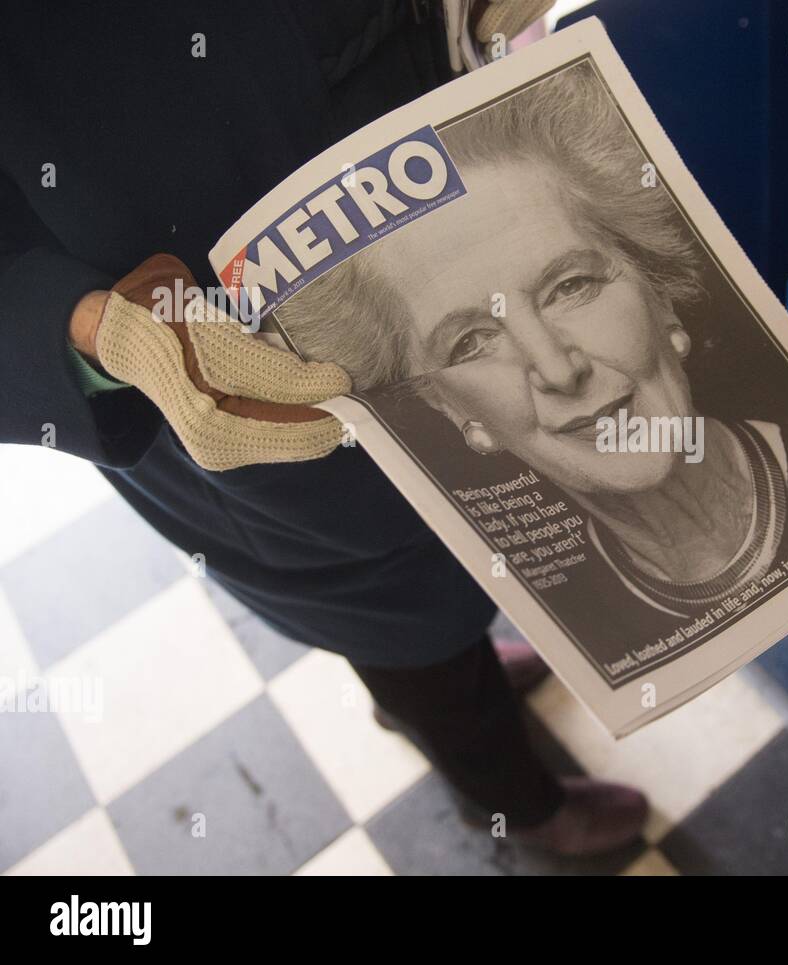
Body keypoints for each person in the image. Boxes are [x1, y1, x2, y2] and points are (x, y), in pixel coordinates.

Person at [0, 0, 648, 857]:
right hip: (205, 335)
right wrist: (79, 330)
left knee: (481, 492)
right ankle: (511, 801)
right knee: (383, 600)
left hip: (423, 179)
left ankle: (449, 658)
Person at [280, 63, 788, 621]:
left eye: (571, 286)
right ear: (449, 407)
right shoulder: (579, 614)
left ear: (660, 294)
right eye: (472, 342)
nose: (556, 369)